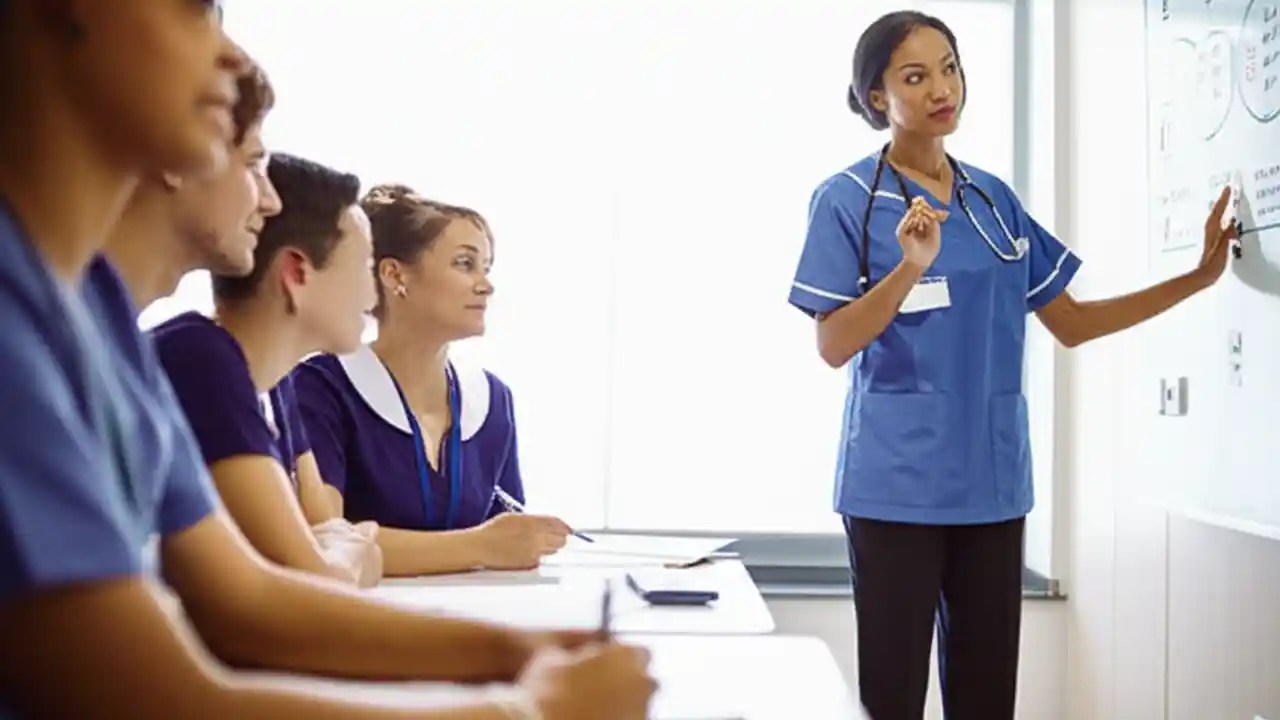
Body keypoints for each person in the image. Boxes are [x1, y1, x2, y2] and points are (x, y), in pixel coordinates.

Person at [0, 2, 655, 717]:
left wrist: (519, 654)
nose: (230, 60)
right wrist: (529, 709)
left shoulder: (96, 315)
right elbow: (156, 691)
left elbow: (246, 598)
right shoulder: (47, 322)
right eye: (193, 11)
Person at [788, 10, 1236, 720]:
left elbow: (1074, 323)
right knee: (894, 702)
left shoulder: (994, 202)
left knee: (986, 702)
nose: (942, 88)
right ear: (878, 98)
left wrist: (1197, 278)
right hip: (895, 489)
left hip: (993, 489)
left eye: (950, 67)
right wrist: (909, 269)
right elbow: (833, 343)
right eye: (915, 76)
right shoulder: (847, 200)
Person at [113, 60, 383, 587]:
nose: (374, 294)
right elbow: (307, 577)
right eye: (368, 267)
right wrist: (342, 559)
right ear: (297, 272)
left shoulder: (274, 386)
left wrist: (335, 555)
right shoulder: (200, 357)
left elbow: (318, 543)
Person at [292, 184, 572, 576]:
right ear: (394, 275)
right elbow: (324, 541)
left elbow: (509, 541)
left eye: (486, 268)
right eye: (464, 264)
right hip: (362, 623)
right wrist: (480, 545)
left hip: (471, 620)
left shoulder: (492, 399)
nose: (486, 285)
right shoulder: (321, 387)